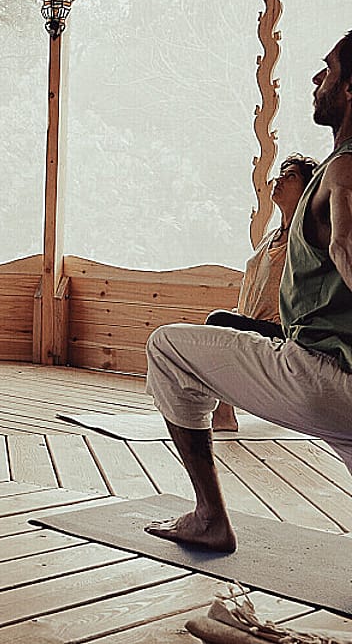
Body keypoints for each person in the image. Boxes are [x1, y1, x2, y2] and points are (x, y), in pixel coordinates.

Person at [144, 30, 352, 552]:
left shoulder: (347, 166)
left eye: (327, 70)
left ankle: (210, 517)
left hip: (323, 375)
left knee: (169, 348)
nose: (316, 79)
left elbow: (349, 249)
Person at [205, 153, 318, 431]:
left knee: (218, 322)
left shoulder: (306, 237)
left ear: (306, 190)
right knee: (221, 324)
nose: (278, 179)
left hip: (280, 332)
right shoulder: (273, 235)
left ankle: (224, 413)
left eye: (290, 176)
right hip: (254, 321)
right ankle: (215, 410)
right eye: (280, 174)